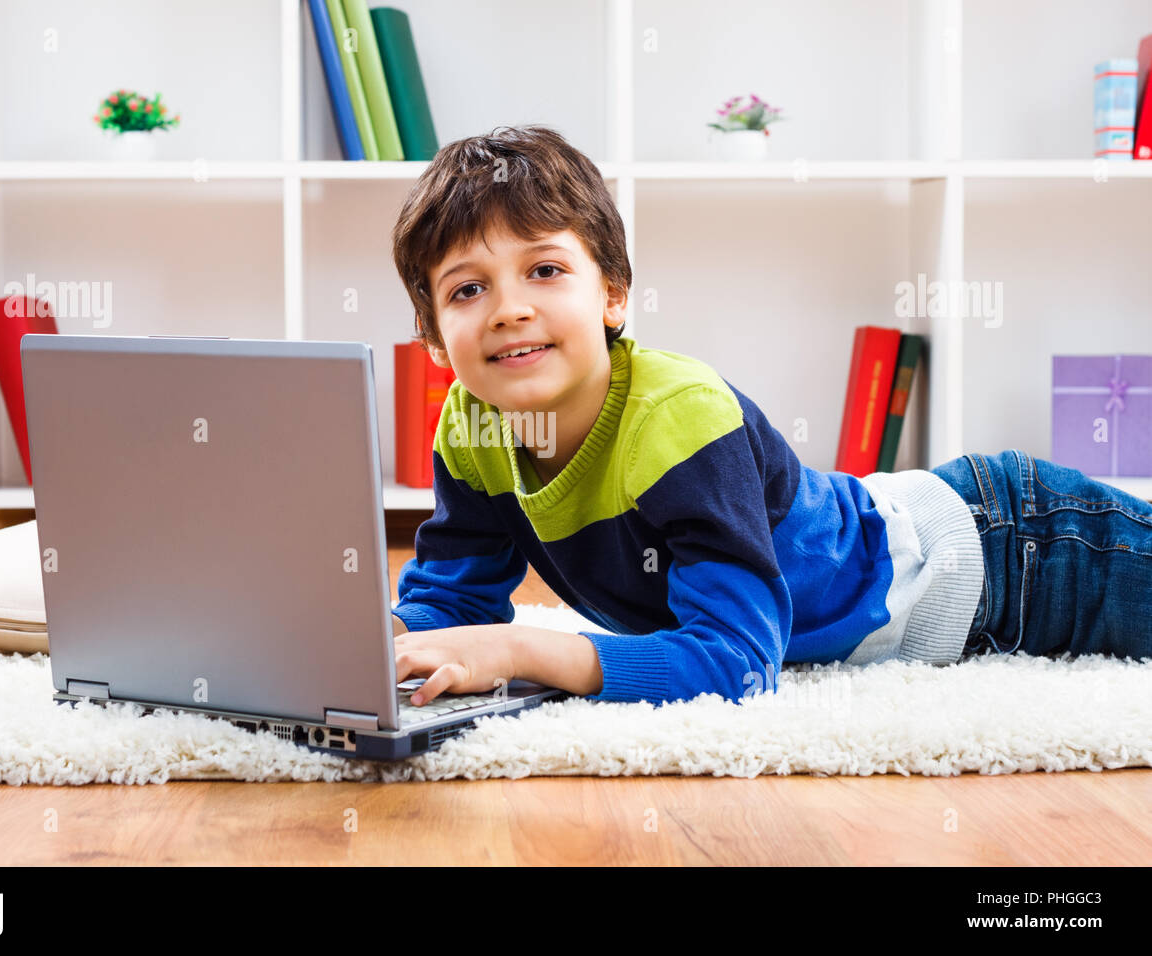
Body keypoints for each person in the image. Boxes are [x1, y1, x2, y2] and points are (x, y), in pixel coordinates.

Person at [386, 125, 1152, 708]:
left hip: (1014, 551)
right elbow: (451, 603)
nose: (509, 310)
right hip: (967, 600)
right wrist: (369, 645)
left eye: (545, 270)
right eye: (466, 290)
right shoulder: (470, 426)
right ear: (433, 337)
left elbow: (736, 661)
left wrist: (523, 650)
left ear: (613, 293)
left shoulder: (680, 419)